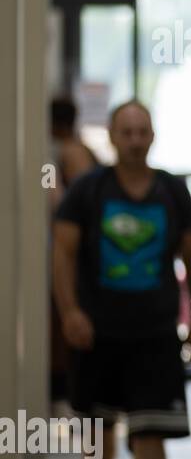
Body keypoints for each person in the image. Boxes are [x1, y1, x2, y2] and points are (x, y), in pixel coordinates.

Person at [51, 99, 191, 459]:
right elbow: (62, 254)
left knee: (151, 430)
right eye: (127, 133)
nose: (135, 141)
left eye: (142, 133)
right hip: (97, 332)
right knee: (97, 428)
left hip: (155, 334)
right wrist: (69, 313)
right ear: (112, 137)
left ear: (152, 136)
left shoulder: (173, 190)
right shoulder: (88, 190)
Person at [48, 96, 100, 408]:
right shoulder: (79, 148)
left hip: (81, 251)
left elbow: (71, 205)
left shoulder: (71, 152)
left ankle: (75, 399)